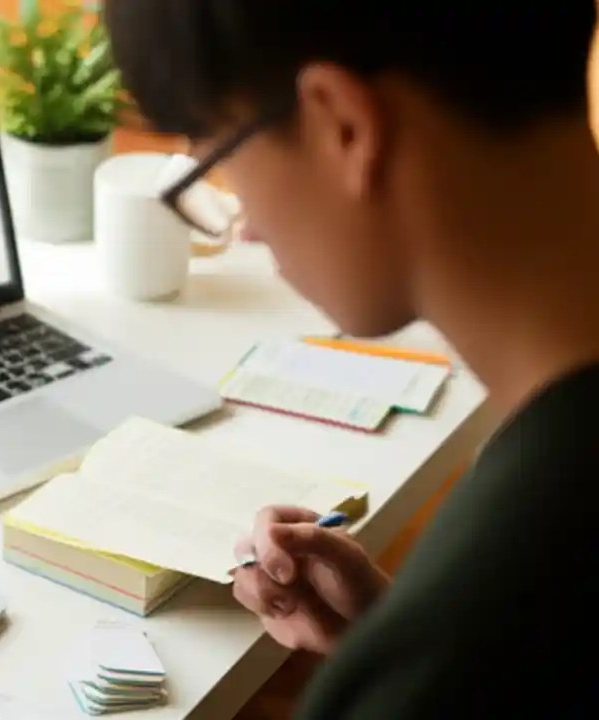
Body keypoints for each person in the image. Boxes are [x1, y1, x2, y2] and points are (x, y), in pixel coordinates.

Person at [104, 1, 599, 717]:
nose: (247, 229)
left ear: (342, 125)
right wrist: (390, 637)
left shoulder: (494, 612)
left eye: (219, 163)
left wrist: (409, 669)